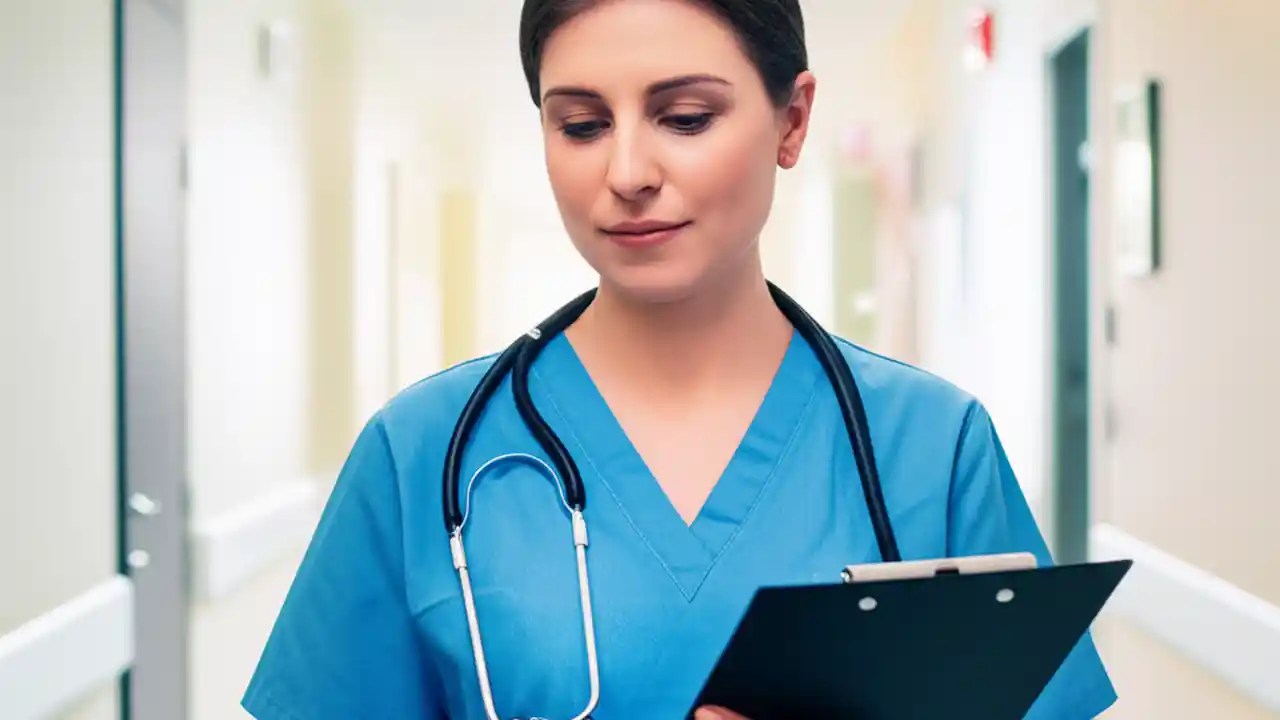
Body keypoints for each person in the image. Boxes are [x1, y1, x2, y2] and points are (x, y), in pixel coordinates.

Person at [243, 0, 1118, 718]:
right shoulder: (421, 452)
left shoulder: (932, 446)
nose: (626, 170)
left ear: (793, 119)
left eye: (685, 117)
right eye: (581, 125)